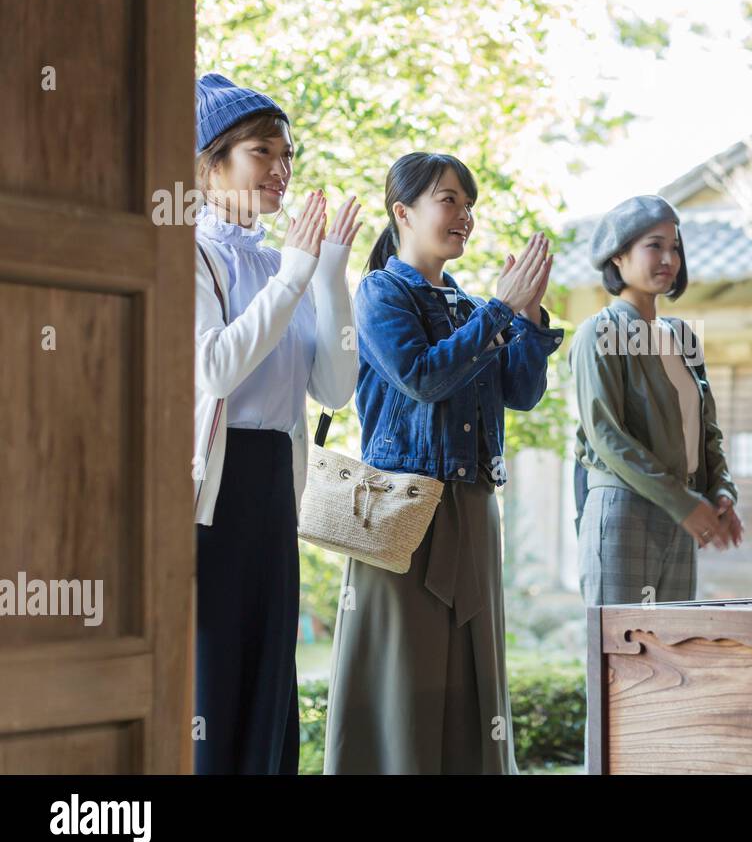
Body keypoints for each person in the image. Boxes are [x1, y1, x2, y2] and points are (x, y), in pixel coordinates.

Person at [325, 152, 562, 773]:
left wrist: (528, 318)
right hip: (404, 513)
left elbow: (522, 393)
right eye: (449, 199)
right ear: (403, 212)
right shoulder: (380, 292)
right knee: (403, 672)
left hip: (474, 507)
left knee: (470, 673)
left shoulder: (471, 306)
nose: (465, 215)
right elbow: (423, 377)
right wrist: (501, 312)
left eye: (468, 203)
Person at [192, 72, 362, 774]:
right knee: (214, 676)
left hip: (274, 488)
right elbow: (215, 370)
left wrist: (329, 274)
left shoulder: (279, 261)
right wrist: (295, 275)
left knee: (270, 681)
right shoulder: (189, 253)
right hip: (211, 493)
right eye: (262, 151)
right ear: (210, 165)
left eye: (287, 154)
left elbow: (335, 388)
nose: (281, 168)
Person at [570, 194, 743, 608]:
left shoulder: (682, 336)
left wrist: (720, 491)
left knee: (674, 647)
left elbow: (706, 430)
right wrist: (684, 504)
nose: (669, 258)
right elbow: (606, 435)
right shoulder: (598, 332)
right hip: (624, 511)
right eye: (654, 246)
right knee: (623, 646)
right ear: (618, 256)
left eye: (675, 247)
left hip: (683, 514)